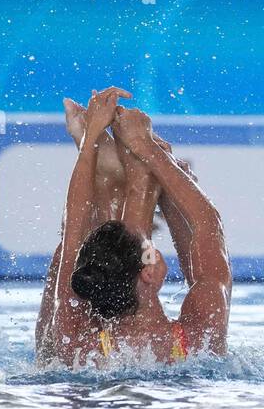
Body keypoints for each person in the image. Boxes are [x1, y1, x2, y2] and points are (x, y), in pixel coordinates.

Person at [35, 87, 231, 367]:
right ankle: (142, 181)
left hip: (83, 365)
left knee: (51, 344)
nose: (154, 247)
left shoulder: (78, 342)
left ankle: (116, 184)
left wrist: (89, 140)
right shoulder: (201, 339)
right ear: (149, 272)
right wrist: (146, 148)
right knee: (85, 258)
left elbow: (73, 236)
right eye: (149, 246)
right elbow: (209, 224)